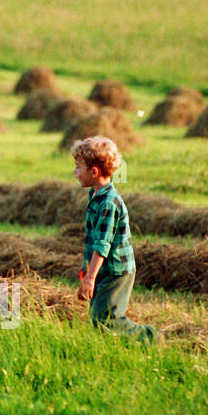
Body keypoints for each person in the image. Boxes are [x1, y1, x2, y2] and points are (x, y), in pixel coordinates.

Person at [71, 135, 160, 342]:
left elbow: (103, 245)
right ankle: (112, 349)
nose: (75, 173)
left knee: (108, 320)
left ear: (94, 172)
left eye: (78, 167)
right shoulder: (95, 196)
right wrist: (88, 273)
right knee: (97, 319)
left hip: (115, 270)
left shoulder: (108, 203)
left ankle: (149, 338)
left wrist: (90, 278)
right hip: (103, 269)